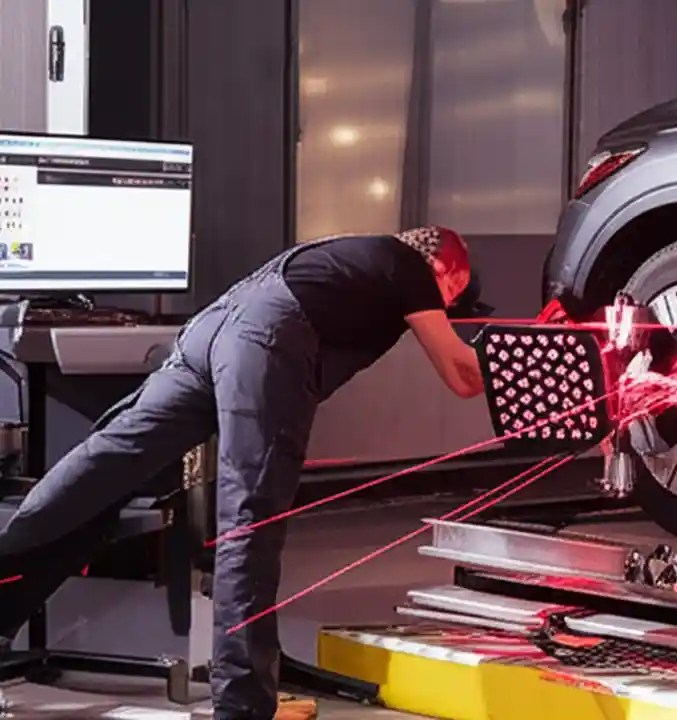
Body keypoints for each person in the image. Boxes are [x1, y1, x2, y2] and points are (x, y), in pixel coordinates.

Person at [0, 226, 487, 719]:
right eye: (454, 292)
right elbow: (462, 374)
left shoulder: (342, 254)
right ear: (445, 267)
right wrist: (531, 366)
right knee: (250, 524)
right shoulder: (407, 265)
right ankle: (243, 707)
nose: (449, 306)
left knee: (98, 473)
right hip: (265, 341)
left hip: (210, 330)